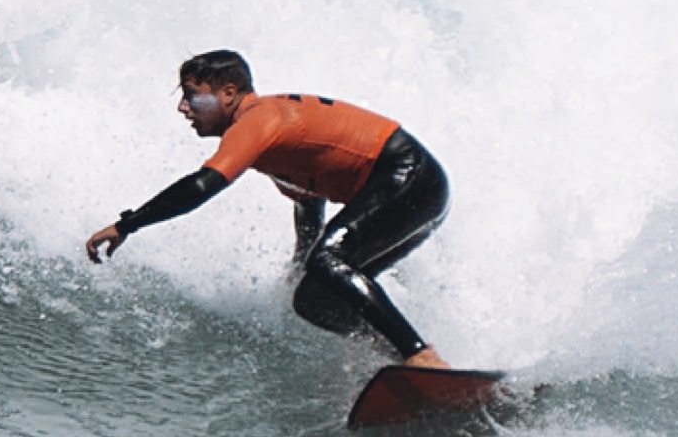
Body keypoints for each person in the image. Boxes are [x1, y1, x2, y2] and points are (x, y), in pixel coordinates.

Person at [83, 51, 459, 369]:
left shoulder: (259, 121)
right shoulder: (273, 138)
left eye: (192, 97)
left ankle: (420, 357)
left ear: (228, 94)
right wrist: (301, 263)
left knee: (328, 262)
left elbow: (202, 186)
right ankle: (402, 359)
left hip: (410, 177)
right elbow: (308, 203)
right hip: (417, 191)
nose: (183, 108)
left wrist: (127, 224)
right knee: (312, 300)